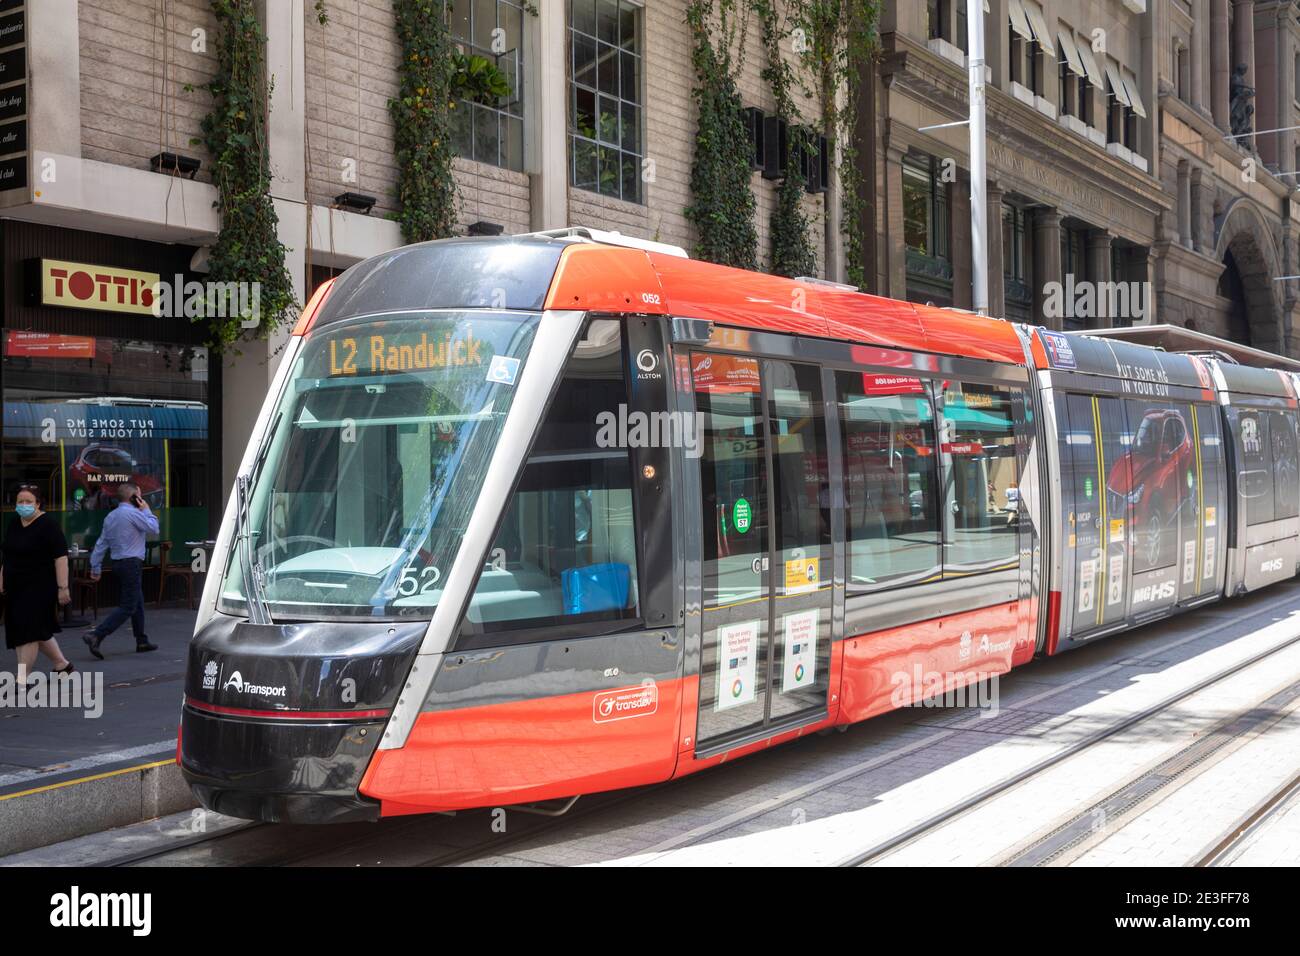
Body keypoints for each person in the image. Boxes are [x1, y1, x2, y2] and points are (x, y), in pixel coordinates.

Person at [1, 485, 74, 685]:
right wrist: (2, 579)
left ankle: (22, 678)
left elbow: (60, 558)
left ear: (38, 504)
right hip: (16, 587)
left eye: (28, 502)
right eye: (20, 502)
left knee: (29, 631)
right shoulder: (14, 524)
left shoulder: (48, 525)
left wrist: (63, 587)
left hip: (40, 587)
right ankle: (62, 665)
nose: (23, 505)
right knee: (32, 629)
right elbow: (7, 554)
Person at [83, 483, 159, 659]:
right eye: (140, 495)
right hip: (131, 564)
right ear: (134, 497)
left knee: (137, 600)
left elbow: (102, 543)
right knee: (128, 606)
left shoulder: (111, 516)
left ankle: (141, 640)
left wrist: (96, 565)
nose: (142, 499)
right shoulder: (133, 513)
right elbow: (154, 529)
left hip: (118, 564)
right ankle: (97, 635)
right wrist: (146, 509)